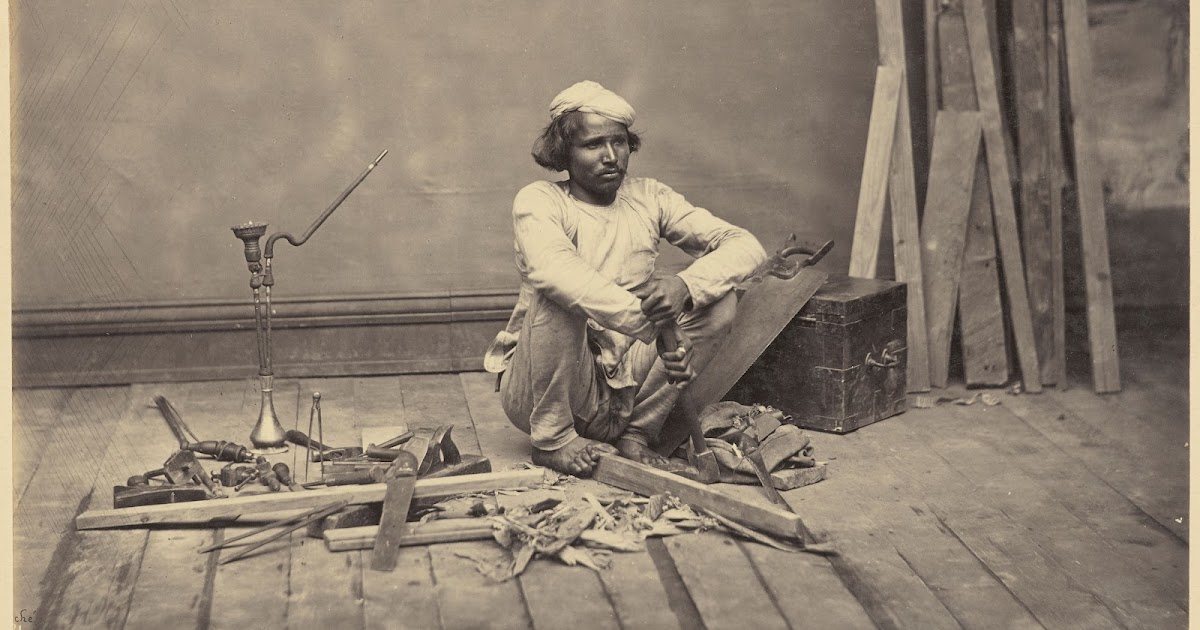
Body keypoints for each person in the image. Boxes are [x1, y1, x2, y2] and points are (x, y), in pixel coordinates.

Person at [484, 80, 767, 476]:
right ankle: (553, 441)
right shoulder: (539, 201)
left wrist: (685, 288)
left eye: (618, 142)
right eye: (593, 144)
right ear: (563, 151)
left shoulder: (650, 197)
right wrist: (654, 325)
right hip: (543, 391)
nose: (611, 156)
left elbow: (745, 245)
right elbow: (554, 273)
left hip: (625, 386)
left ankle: (637, 433)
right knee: (557, 295)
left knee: (718, 298)